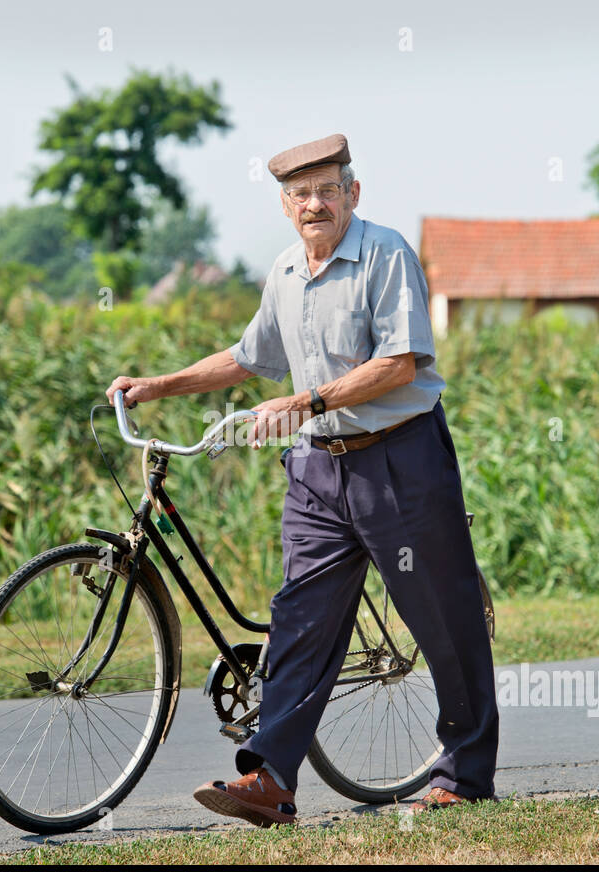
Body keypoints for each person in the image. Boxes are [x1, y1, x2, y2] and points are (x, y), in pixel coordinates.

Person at [106, 132, 499, 827]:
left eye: (327, 189)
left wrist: (306, 400)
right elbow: (248, 356)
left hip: (398, 458)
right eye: (300, 194)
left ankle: (464, 775)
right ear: (285, 206)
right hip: (318, 470)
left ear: (353, 193)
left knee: (441, 616)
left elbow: (402, 363)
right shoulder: (286, 271)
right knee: (299, 620)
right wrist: (156, 385)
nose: (314, 203)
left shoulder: (385, 254)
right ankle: (271, 778)